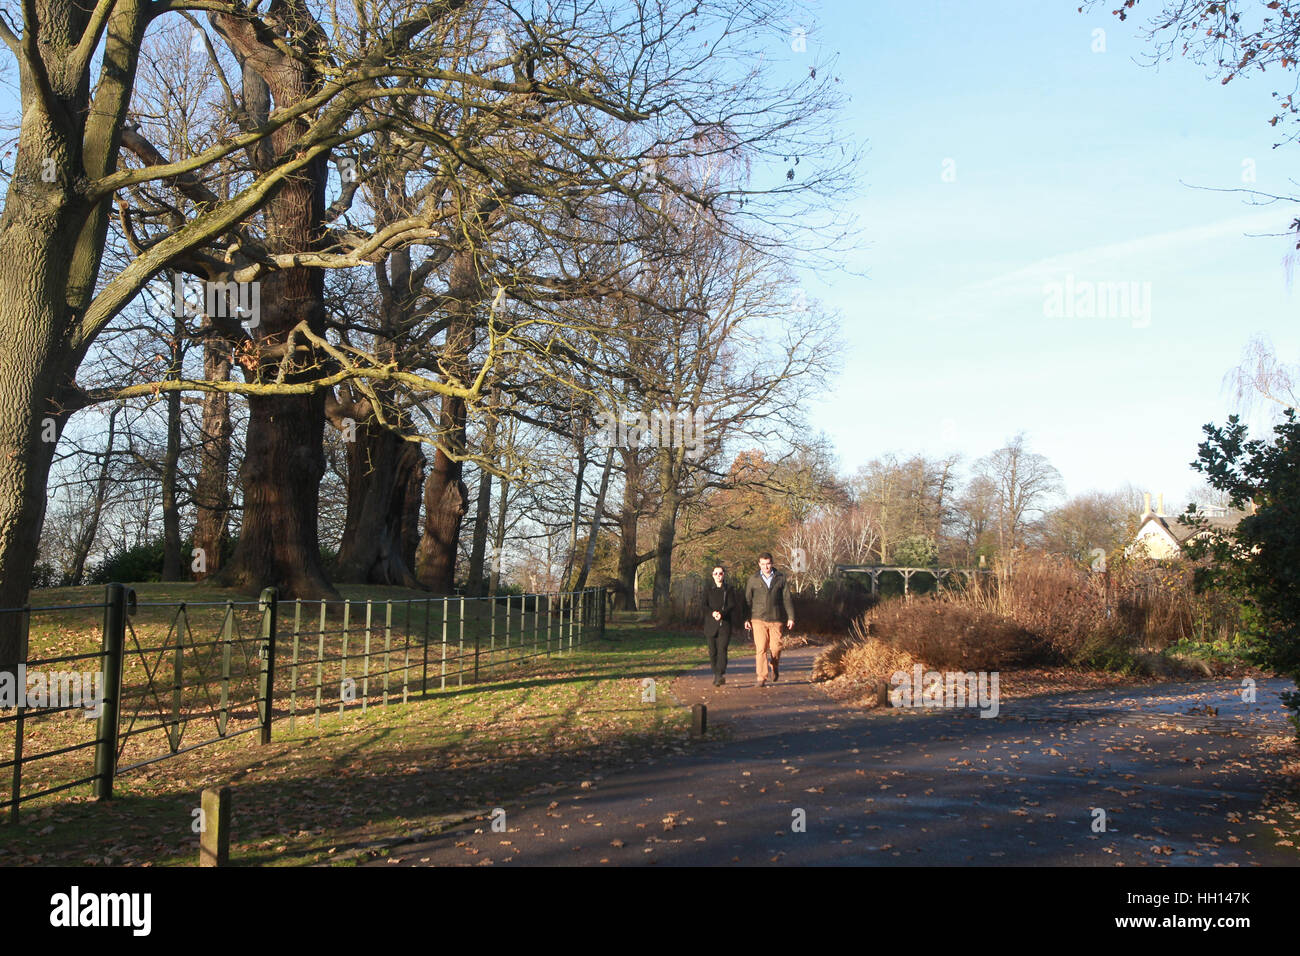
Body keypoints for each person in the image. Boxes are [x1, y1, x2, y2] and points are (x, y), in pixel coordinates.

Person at [744, 552, 795, 687]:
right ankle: (761, 677)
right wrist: (746, 618)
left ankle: (775, 665)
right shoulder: (753, 579)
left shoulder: (780, 578)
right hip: (758, 618)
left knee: (776, 648)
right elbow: (747, 601)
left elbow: (787, 598)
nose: (766, 567)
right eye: (763, 564)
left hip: (776, 618)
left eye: (768, 564)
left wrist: (791, 617)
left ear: (772, 563)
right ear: (759, 564)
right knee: (760, 648)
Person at [702, 565, 735, 686]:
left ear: (724, 575)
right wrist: (713, 613)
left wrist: (722, 613)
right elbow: (703, 605)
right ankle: (716, 673)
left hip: (724, 624)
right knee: (712, 651)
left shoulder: (729, 589)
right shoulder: (707, 589)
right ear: (712, 575)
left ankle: (719, 674)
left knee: (722, 649)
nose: (718, 576)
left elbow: (732, 605)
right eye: (716, 573)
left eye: (720, 573)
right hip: (710, 624)